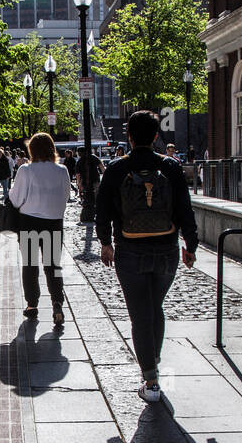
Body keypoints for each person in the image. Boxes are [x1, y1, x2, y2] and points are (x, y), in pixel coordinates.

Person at [97, 110, 198, 403]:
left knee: (140, 314)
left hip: (129, 250)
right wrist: (190, 245)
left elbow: (102, 210)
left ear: (129, 136)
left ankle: (151, 379)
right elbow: (185, 209)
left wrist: (106, 242)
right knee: (156, 307)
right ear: (156, 136)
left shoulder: (116, 169)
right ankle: (153, 359)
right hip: (166, 249)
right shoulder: (171, 167)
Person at [10, 132, 72, 325]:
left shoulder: (26, 170)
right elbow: (67, 196)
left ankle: (32, 304)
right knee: (53, 266)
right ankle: (57, 303)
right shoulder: (62, 170)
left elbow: (15, 199)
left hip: (29, 221)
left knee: (30, 265)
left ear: (32, 150)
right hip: (54, 222)